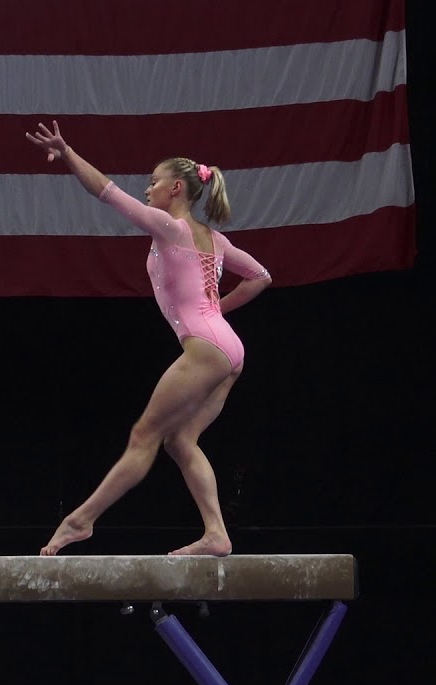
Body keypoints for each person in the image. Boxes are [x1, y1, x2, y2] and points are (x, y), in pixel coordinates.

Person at [26, 121, 272, 557]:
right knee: (180, 440)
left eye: (154, 181)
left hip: (206, 348)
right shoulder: (215, 240)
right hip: (230, 350)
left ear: (176, 188)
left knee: (145, 435)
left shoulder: (171, 228)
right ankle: (216, 533)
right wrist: (216, 313)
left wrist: (68, 154)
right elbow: (260, 276)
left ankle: (80, 520)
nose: (147, 188)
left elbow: (106, 191)